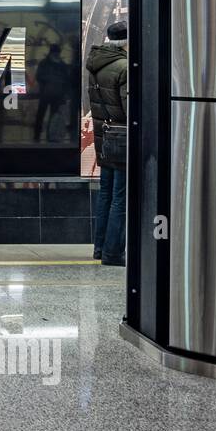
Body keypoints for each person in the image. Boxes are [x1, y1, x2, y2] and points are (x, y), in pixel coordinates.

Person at [86, 20, 128, 266]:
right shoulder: (124, 67)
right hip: (122, 137)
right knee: (120, 197)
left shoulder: (95, 63)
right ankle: (113, 253)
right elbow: (127, 108)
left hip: (104, 136)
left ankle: (100, 248)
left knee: (106, 194)